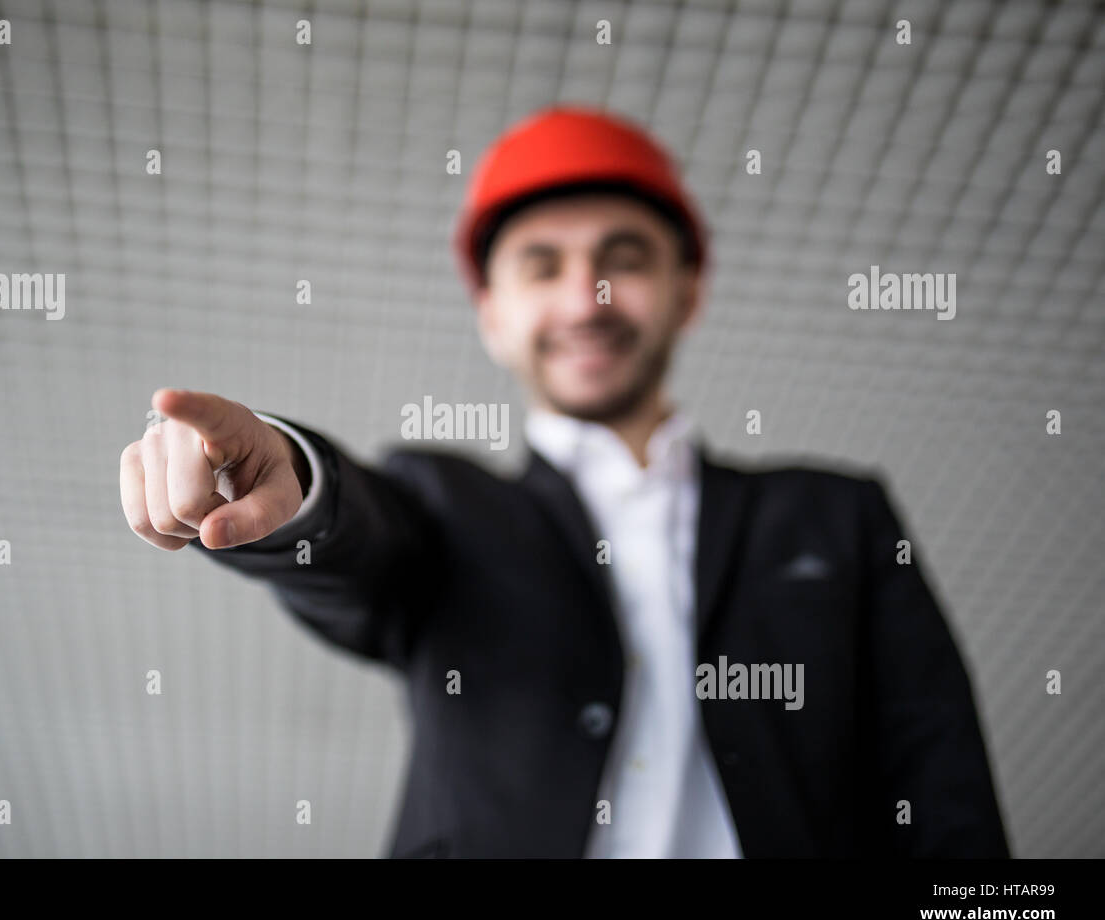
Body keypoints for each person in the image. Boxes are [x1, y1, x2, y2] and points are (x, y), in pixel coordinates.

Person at [117, 105, 1009, 858]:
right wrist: (292, 475)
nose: (588, 299)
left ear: (687, 292)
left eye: (624, 258)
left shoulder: (835, 514)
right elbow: (358, 537)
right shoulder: (444, 506)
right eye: (543, 266)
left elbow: (941, 783)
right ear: (494, 317)